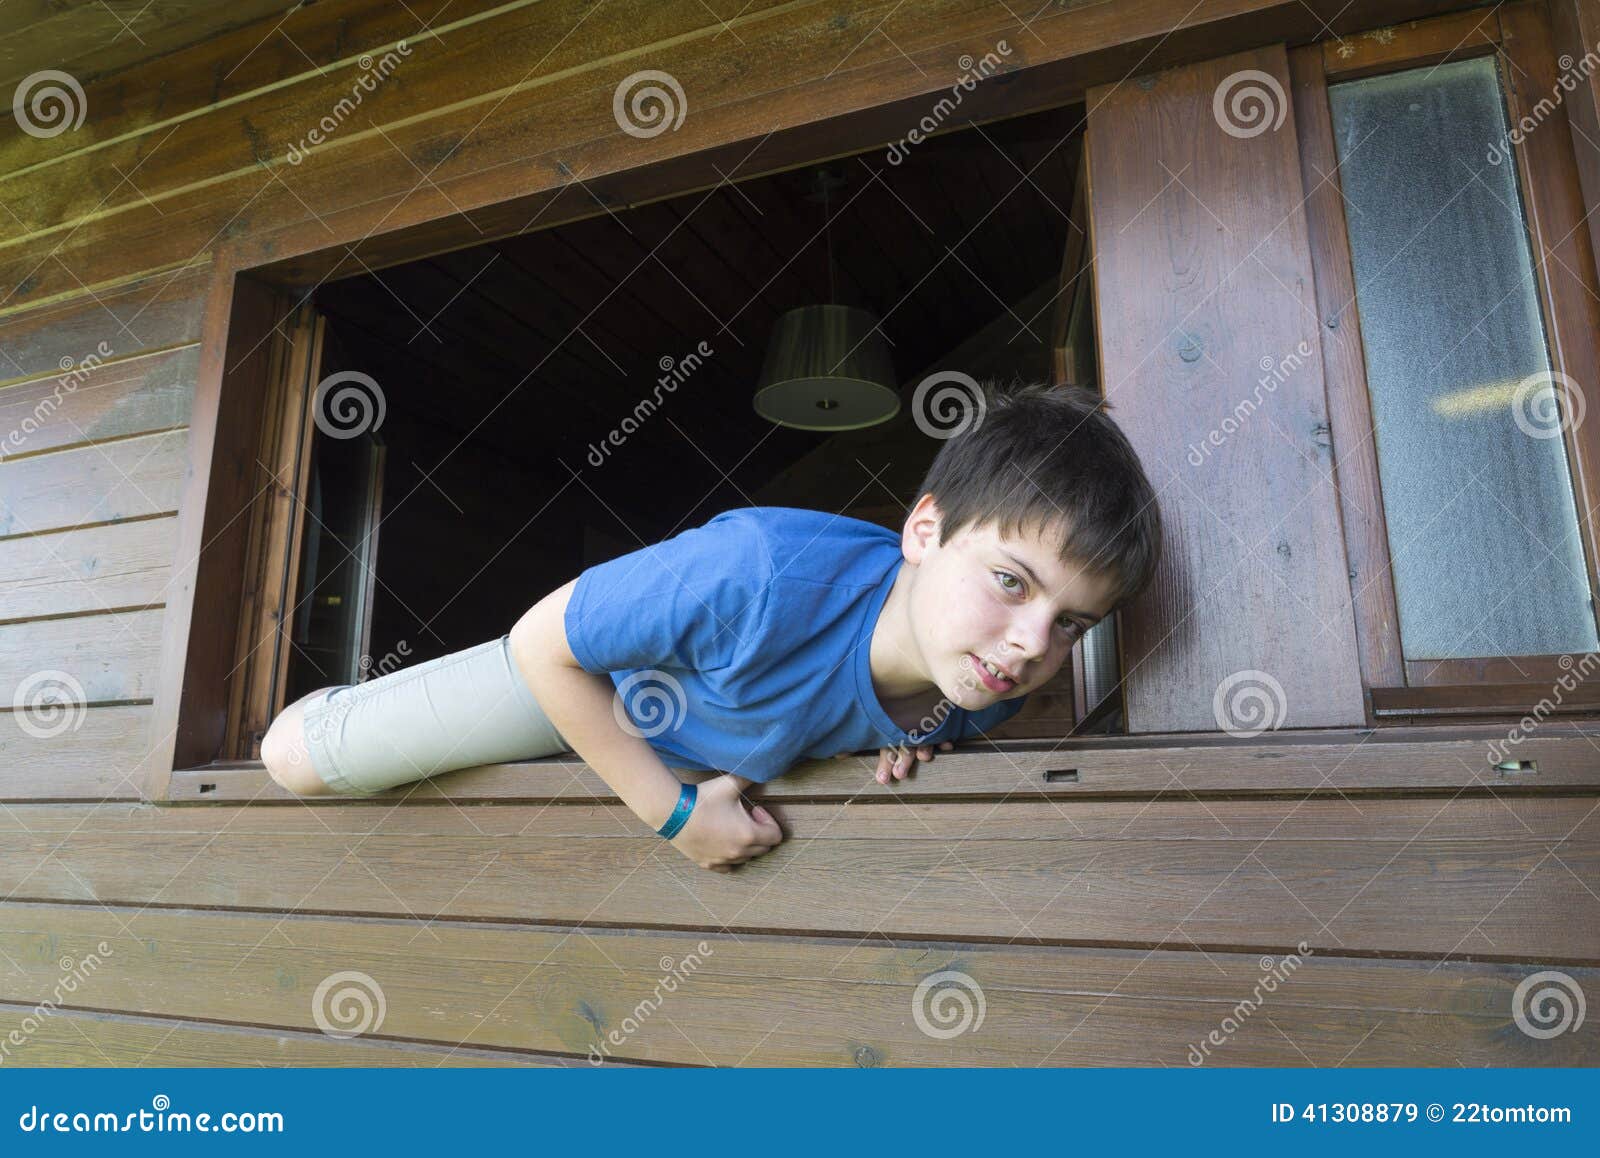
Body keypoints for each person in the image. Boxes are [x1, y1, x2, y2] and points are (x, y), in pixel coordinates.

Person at [261, 382, 1162, 873]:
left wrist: (913, 738)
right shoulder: (762, 569)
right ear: (924, 532)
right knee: (295, 760)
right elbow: (544, 639)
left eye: (1072, 626)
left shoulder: (984, 689)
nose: (1031, 644)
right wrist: (674, 815)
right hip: (590, 690)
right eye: (1011, 582)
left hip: (712, 742)